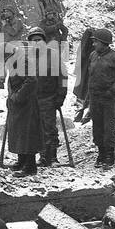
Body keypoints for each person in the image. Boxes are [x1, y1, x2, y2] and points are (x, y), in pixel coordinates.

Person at [5, 31, 44, 175]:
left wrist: (17, 96)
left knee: (27, 135)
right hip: (17, 105)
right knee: (18, 133)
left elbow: (31, 81)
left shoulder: (24, 62)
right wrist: (11, 97)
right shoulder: (14, 62)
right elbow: (14, 82)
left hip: (26, 105)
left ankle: (30, 166)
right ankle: (21, 161)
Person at [87, 27, 115, 167]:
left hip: (108, 98)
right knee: (97, 127)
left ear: (104, 42)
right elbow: (90, 77)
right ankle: (101, 153)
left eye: (96, 41)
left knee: (108, 128)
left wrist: (111, 91)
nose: (93, 44)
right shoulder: (92, 56)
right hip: (95, 97)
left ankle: (110, 154)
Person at [32, 24, 68, 167]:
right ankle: (42, 156)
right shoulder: (26, 57)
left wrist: (61, 96)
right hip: (32, 99)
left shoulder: (53, 56)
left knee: (49, 128)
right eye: (33, 40)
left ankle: (52, 157)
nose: (36, 43)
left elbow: (63, 77)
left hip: (49, 98)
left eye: (38, 40)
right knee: (37, 128)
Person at [0, 7, 26, 88]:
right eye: (5, 12)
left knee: (14, 64)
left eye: (8, 11)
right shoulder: (5, 22)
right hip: (5, 45)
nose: (6, 13)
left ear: (12, 13)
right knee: (2, 63)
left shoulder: (17, 22)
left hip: (15, 45)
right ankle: (1, 81)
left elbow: (13, 32)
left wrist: (6, 25)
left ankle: (17, 82)